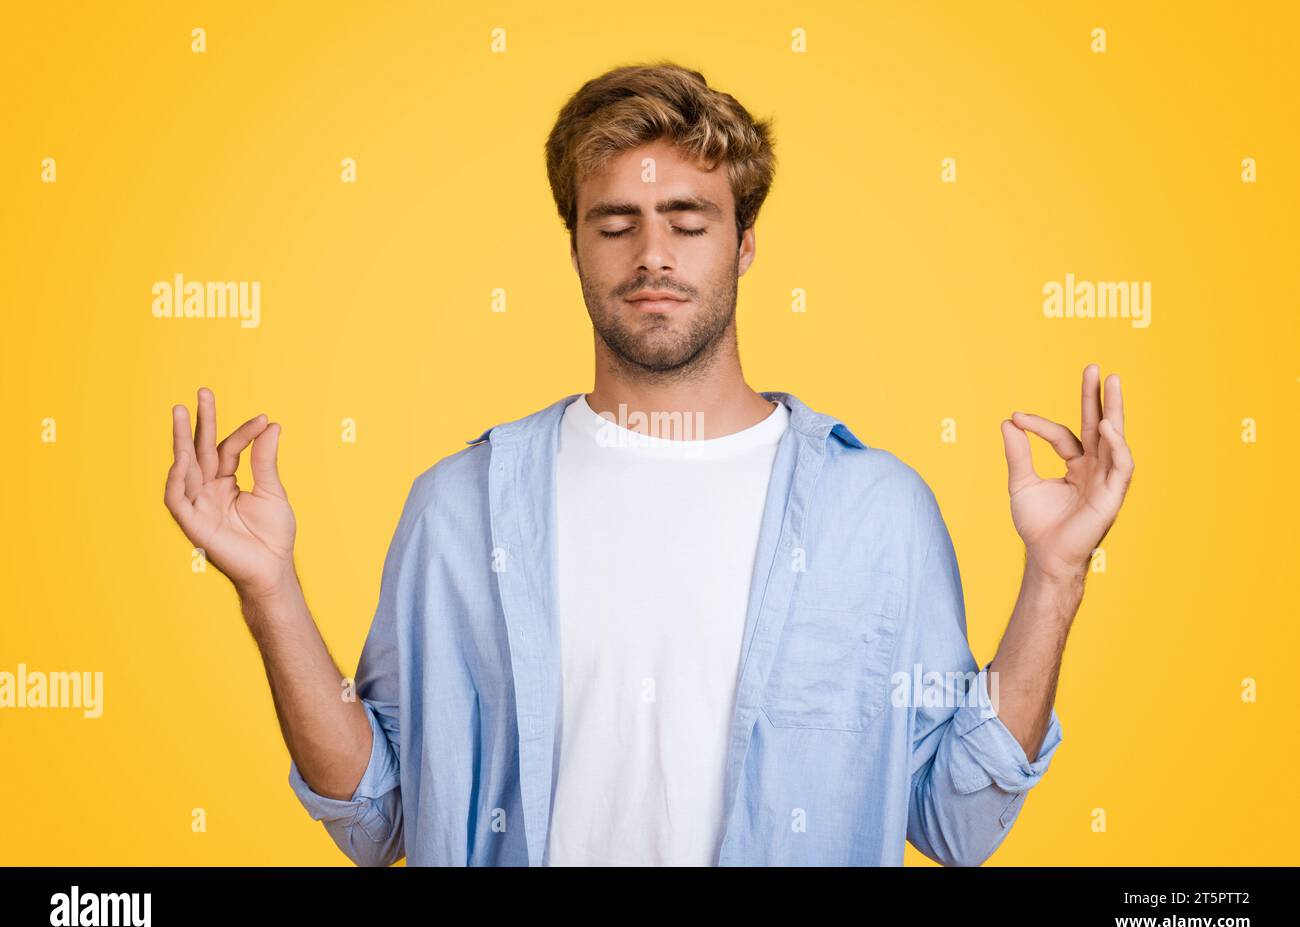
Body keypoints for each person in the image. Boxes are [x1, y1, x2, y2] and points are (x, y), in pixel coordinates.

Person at [162, 61, 1134, 866]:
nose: (652, 254)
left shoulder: (875, 511)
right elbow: (378, 816)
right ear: (576, 245)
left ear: (744, 244)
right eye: (615, 222)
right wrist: (269, 589)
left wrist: (1055, 573)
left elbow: (957, 821)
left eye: (689, 219)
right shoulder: (457, 508)